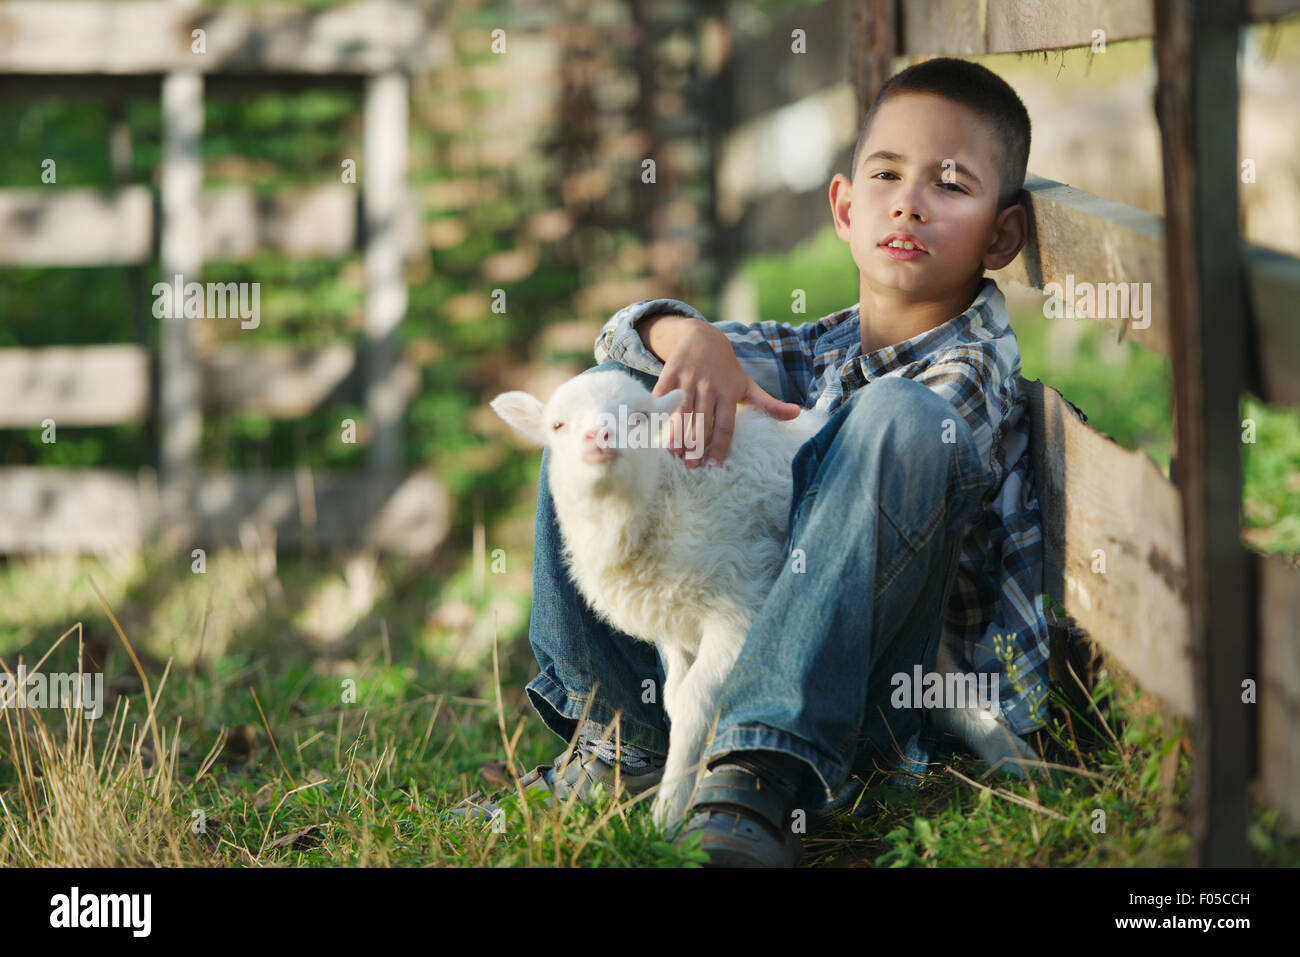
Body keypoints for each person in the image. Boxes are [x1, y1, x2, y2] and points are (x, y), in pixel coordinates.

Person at [465, 57, 1052, 867]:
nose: (910, 201)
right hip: (735, 640)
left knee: (897, 419)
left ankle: (756, 769)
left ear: (1003, 235)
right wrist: (690, 339)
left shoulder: (970, 367)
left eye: (950, 185)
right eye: (886, 175)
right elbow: (624, 344)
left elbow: (885, 457)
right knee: (601, 415)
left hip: (874, 684)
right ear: (845, 208)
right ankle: (622, 741)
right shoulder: (814, 348)